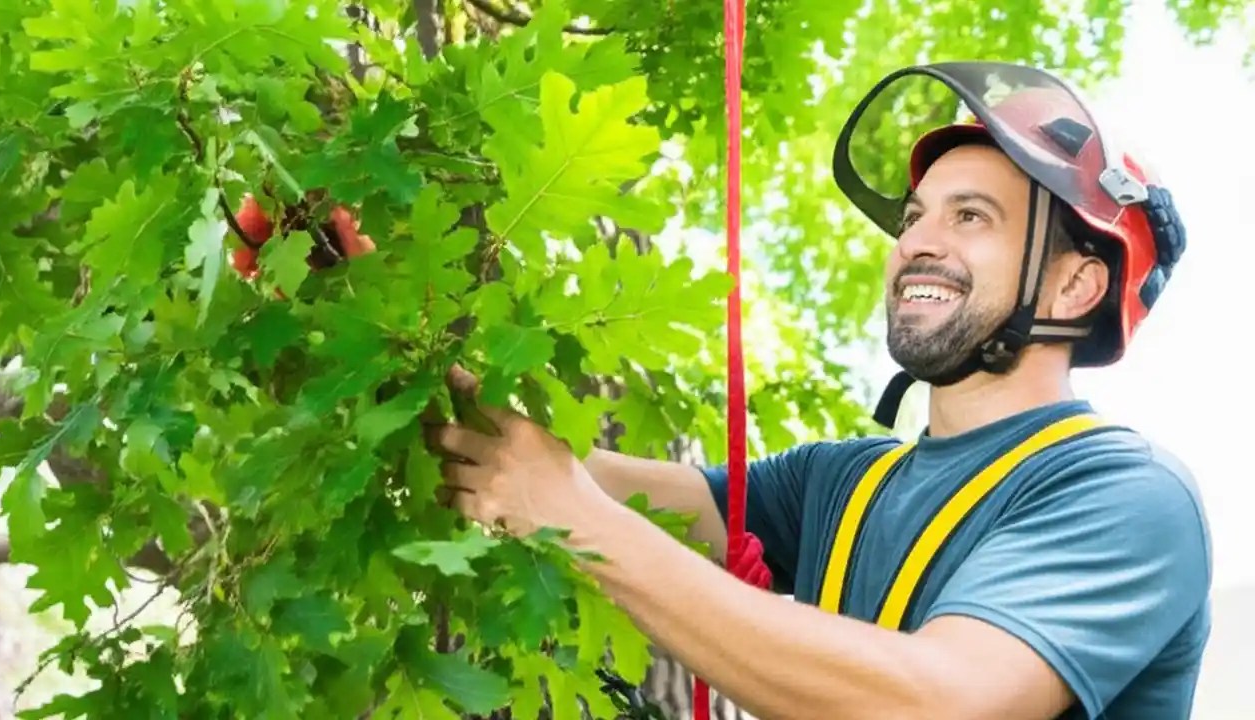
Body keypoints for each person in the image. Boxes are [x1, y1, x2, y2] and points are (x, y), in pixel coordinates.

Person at [431, 61, 1211, 720]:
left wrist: (575, 515)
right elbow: (616, 493)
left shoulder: (1125, 497)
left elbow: (941, 701)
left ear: (1075, 286)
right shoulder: (846, 483)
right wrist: (416, 375)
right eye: (914, 217)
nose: (916, 243)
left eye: (971, 217)